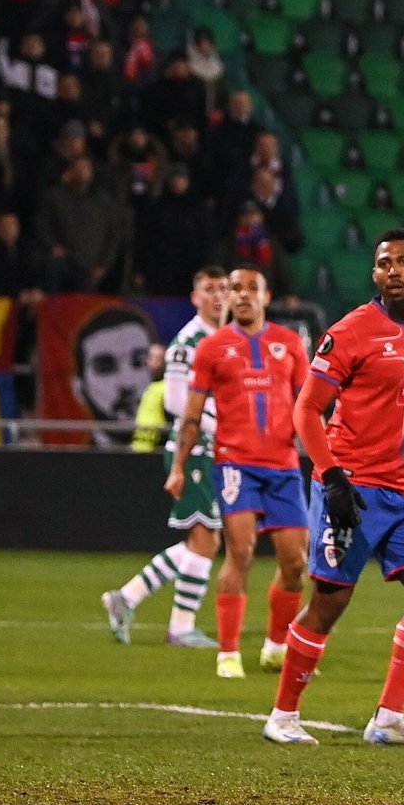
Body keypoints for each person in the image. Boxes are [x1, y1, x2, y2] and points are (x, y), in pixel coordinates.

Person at [262, 229, 404, 747]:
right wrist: (333, 477)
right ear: (375, 275)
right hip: (354, 488)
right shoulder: (350, 332)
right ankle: (282, 715)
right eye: (384, 263)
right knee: (329, 602)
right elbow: (305, 409)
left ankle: (388, 717)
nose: (394, 270)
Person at [165, 264, 309, 679]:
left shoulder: (289, 344)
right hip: (234, 464)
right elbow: (191, 416)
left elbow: (307, 403)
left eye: (251, 288)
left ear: (266, 297)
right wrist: (178, 467)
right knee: (240, 551)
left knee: (295, 562)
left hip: (282, 466)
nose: (242, 295)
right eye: (234, 289)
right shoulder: (211, 348)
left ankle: (276, 645)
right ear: (226, 297)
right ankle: (228, 652)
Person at [102, 267, 228, 647]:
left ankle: (128, 598)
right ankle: (179, 625)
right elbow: (175, 402)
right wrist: (220, 425)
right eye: (209, 289)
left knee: (205, 540)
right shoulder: (187, 343)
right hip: (193, 450)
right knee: (206, 539)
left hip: (212, 450)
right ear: (195, 297)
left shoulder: (221, 338)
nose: (218, 296)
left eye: (223, 288)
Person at [72, 304, 156, 446]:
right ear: (79, 387)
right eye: (105, 367)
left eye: (139, 362)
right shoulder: (73, 466)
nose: (127, 383)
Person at [130, 343, 167, 453]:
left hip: (156, 450)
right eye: (151, 357)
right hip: (139, 447)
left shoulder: (167, 387)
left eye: (158, 358)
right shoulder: (149, 387)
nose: (154, 362)